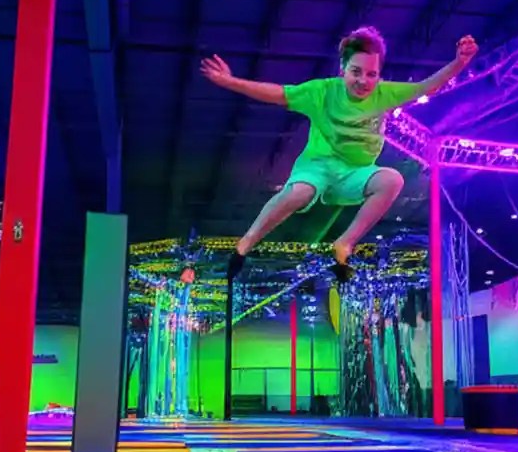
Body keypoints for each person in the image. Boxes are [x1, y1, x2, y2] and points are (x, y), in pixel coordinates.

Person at [200, 26, 478, 281]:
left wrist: (459, 62)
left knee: (392, 180)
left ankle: (344, 243)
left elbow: (427, 86)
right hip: (318, 166)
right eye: (356, 72)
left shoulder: (385, 93)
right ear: (342, 69)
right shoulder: (322, 91)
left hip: (355, 173)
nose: (363, 81)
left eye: (371, 74)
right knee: (300, 193)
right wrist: (229, 81)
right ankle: (247, 242)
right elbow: (277, 94)